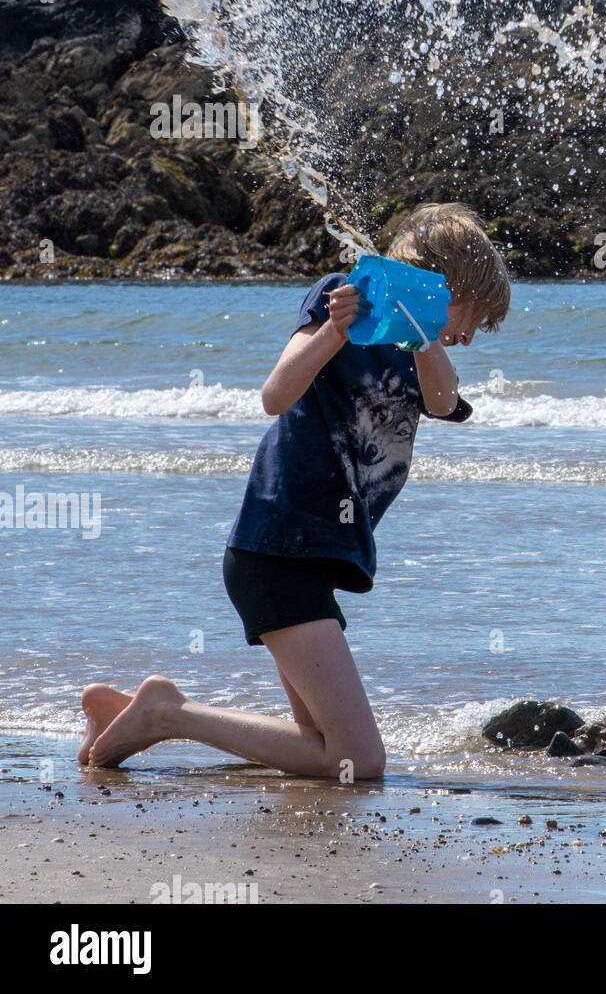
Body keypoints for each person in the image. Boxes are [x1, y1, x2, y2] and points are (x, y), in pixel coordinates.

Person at [77, 202, 510, 779]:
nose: (470, 336)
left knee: (323, 745)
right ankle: (166, 714)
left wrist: (425, 334)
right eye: (473, 315)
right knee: (358, 760)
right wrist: (335, 328)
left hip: (308, 557)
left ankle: (117, 714)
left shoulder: (421, 356)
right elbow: (276, 396)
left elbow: (443, 401)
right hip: (278, 546)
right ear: (443, 284)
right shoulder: (343, 301)